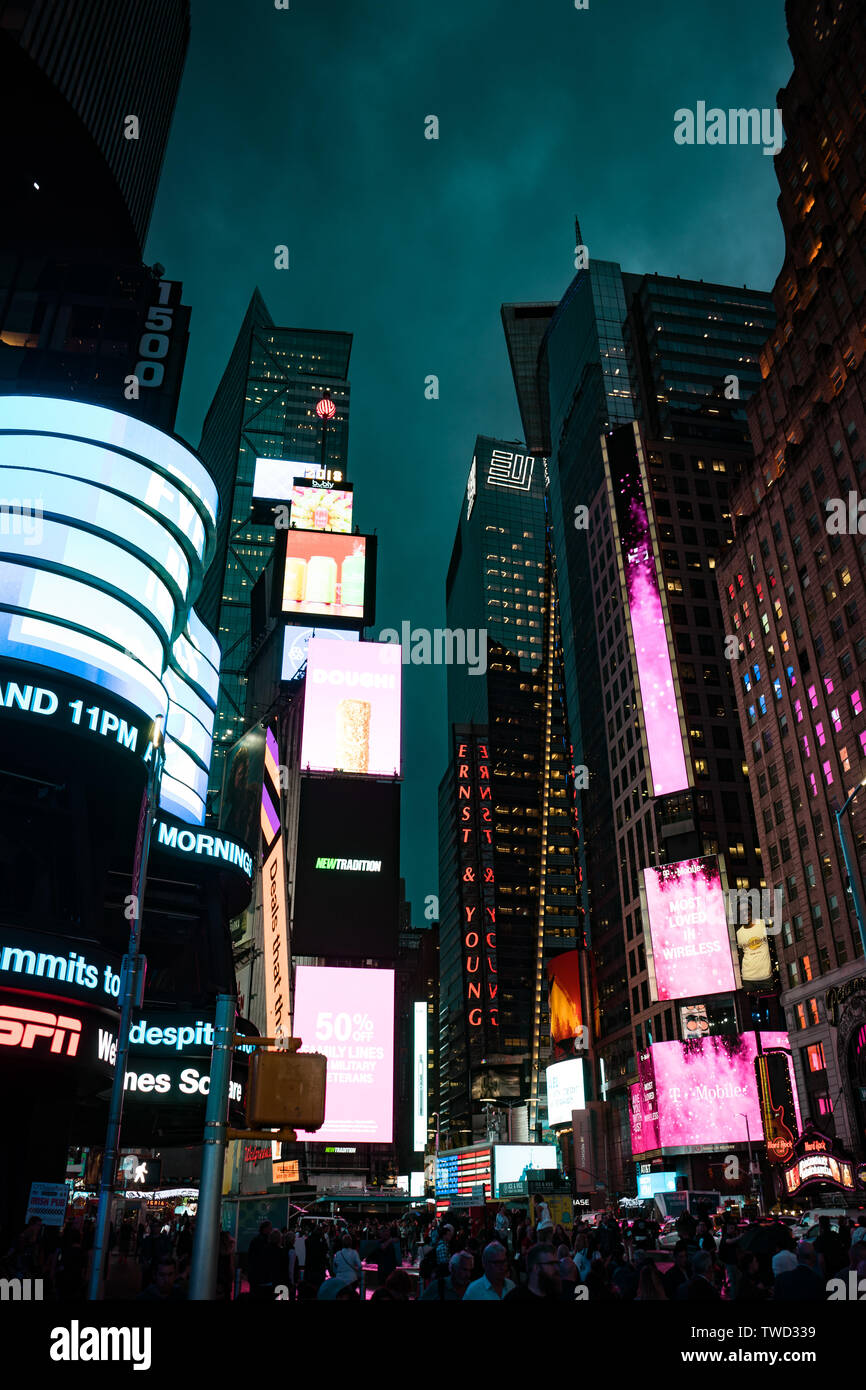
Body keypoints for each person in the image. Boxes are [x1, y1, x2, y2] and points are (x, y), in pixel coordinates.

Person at [246, 1221, 273, 1296]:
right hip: (262, 1277)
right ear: (265, 1228)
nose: (271, 1230)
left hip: (255, 1276)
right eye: (270, 1228)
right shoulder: (265, 1241)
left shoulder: (255, 1240)